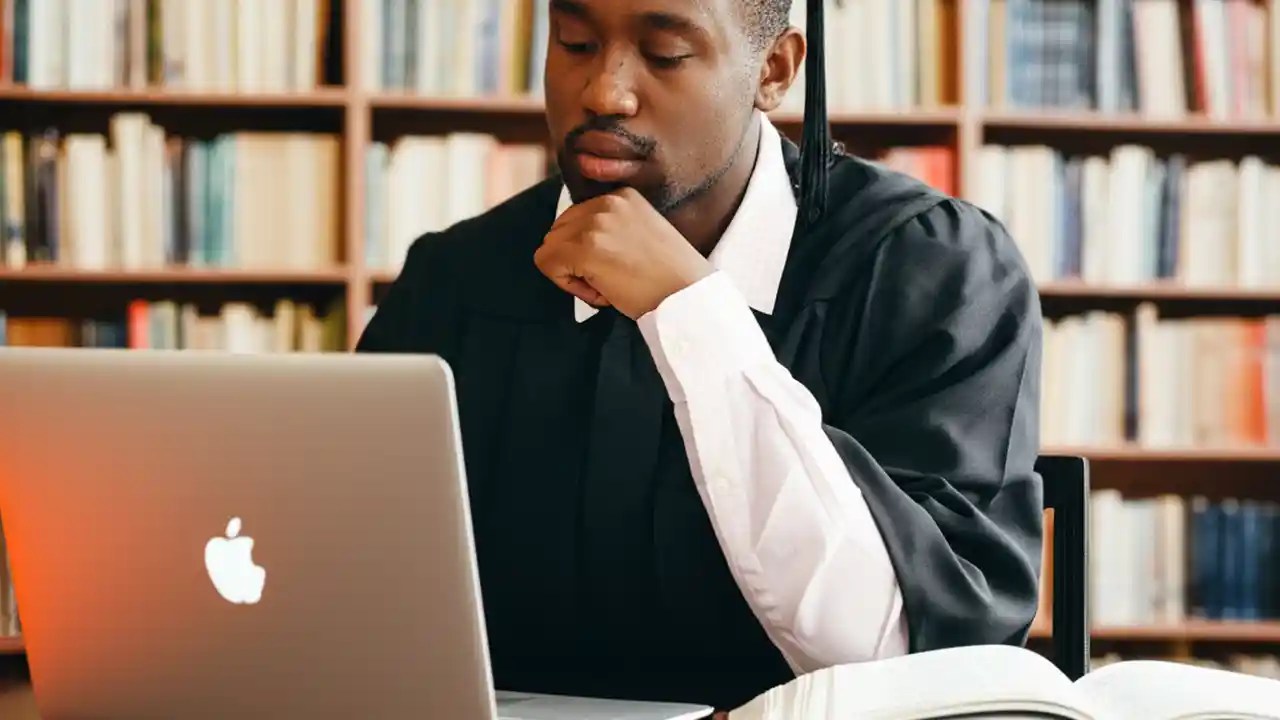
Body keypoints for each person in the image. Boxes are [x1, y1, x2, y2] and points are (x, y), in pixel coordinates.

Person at [357, 0, 1044, 712]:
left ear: (773, 72)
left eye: (665, 55)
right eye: (576, 43)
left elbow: (911, 659)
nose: (604, 91)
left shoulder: (927, 272)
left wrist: (690, 312)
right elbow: (348, 579)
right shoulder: (458, 279)